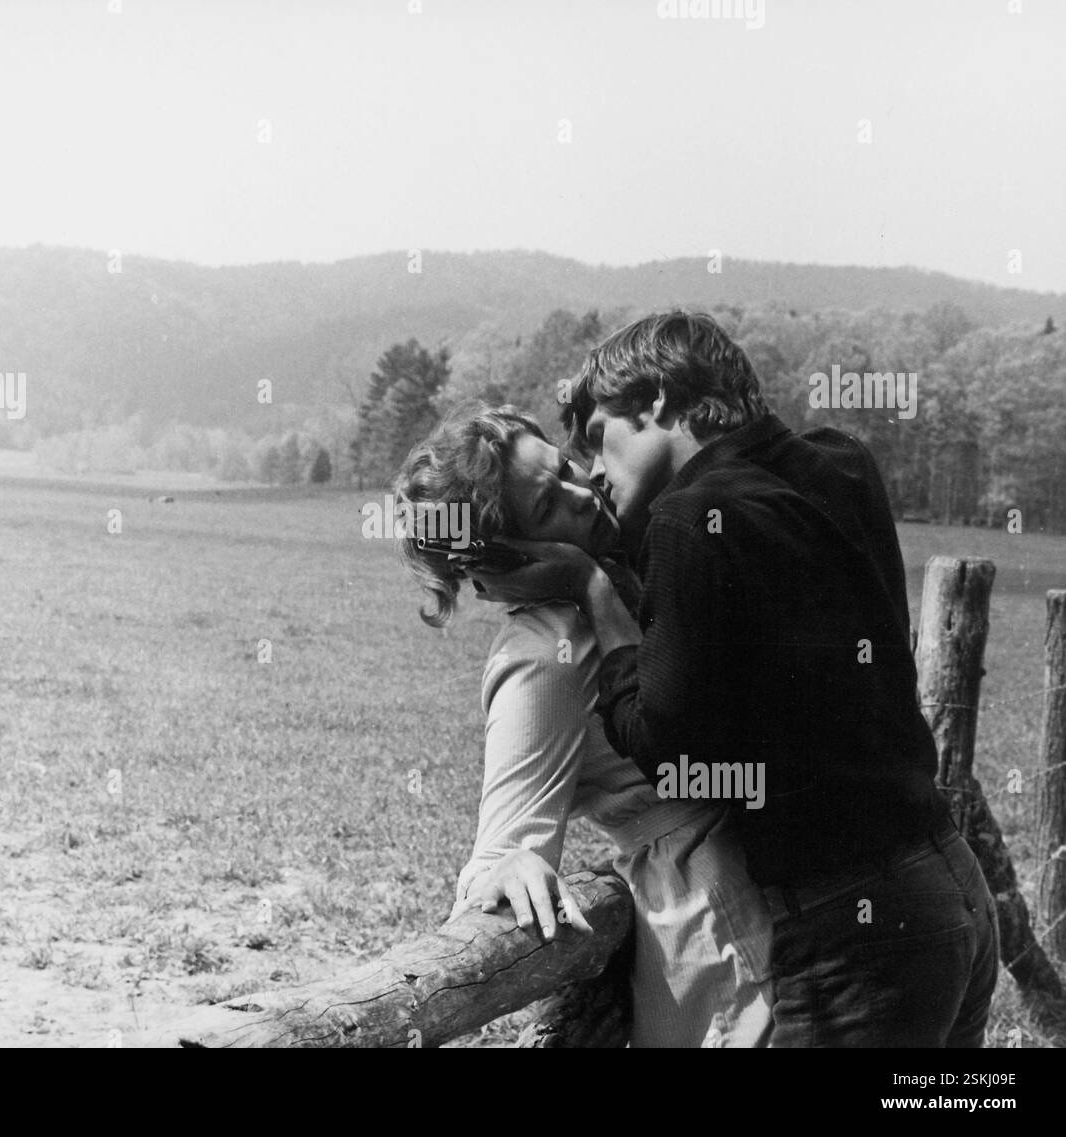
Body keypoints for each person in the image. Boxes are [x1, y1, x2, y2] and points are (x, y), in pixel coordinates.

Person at [481, 311, 999, 1047]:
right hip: (953, 885)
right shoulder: (841, 460)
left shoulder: (691, 517)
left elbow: (664, 745)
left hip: (859, 928)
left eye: (599, 436)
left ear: (659, 401)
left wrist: (594, 587)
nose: (593, 468)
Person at [393, 404, 772, 1047]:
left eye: (564, 467)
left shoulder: (626, 570)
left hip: (770, 879)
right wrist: (508, 867)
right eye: (549, 507)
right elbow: (500, 853)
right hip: (714, 917)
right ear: (504, 559)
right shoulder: (543, 655)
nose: (584, 490)